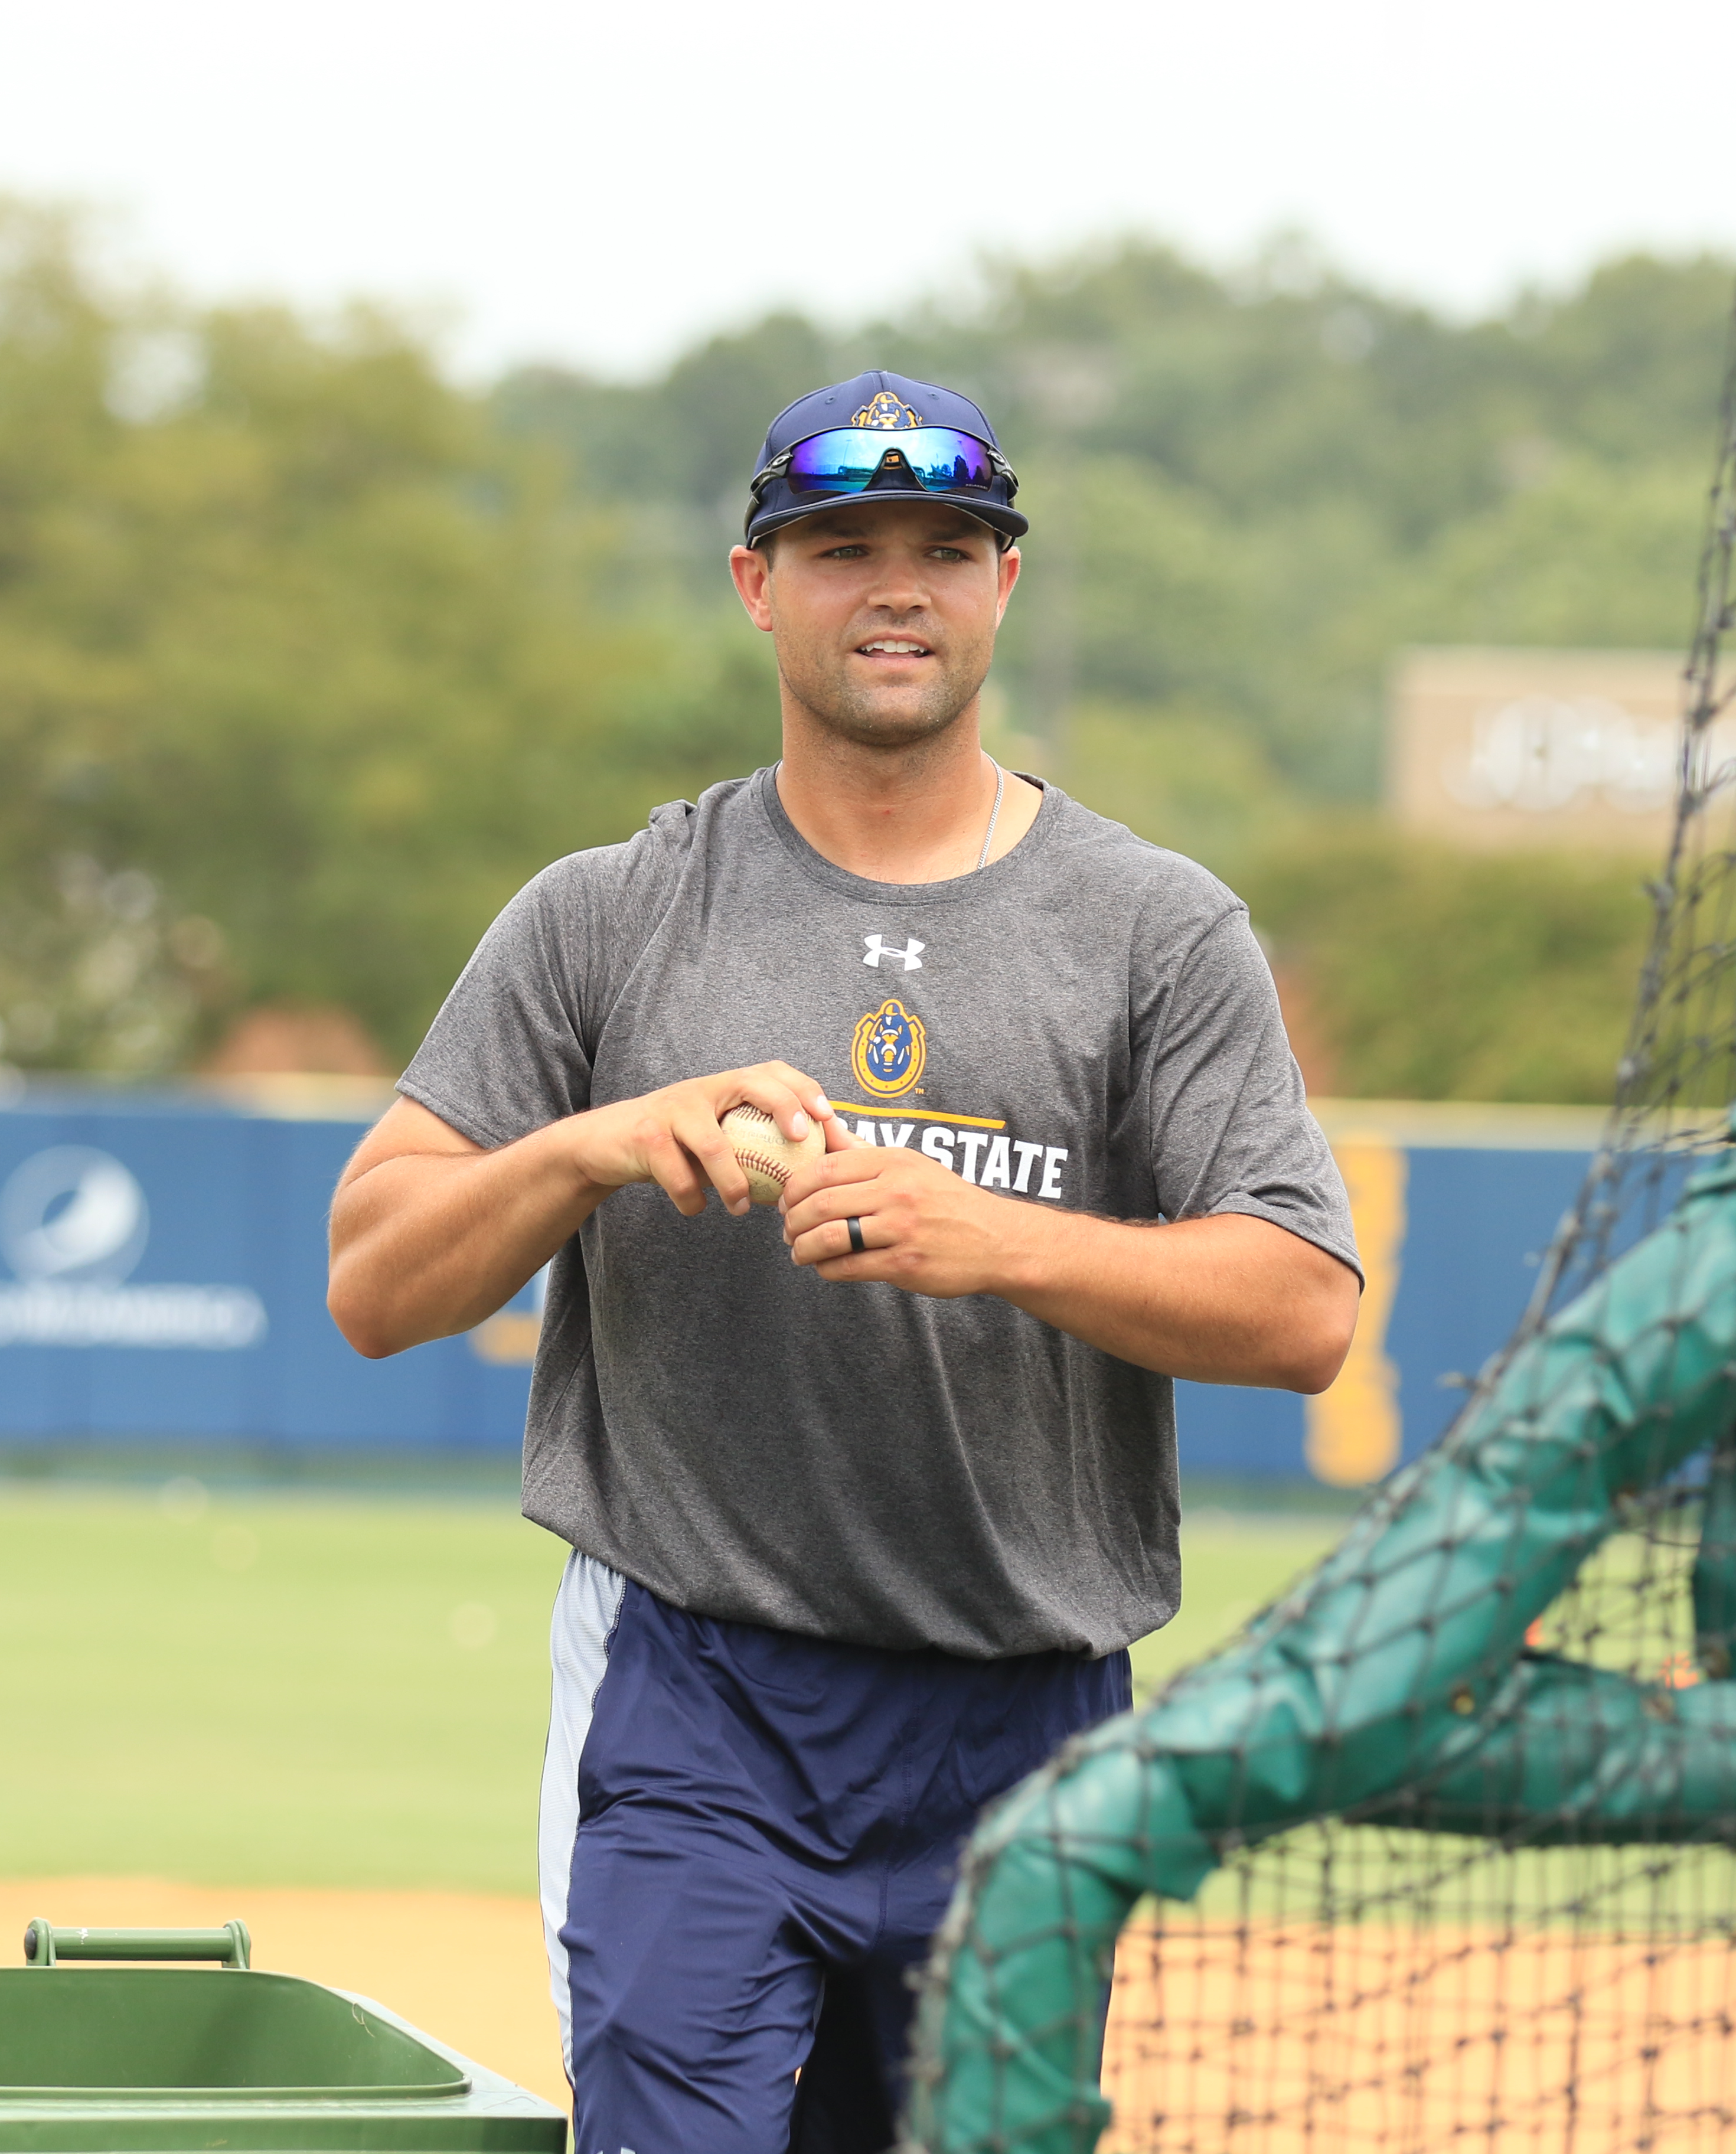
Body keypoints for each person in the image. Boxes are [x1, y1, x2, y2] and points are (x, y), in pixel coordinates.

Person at [325, 370, 1361, 2154]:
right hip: (698, 1701)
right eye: (843, 549)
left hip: (1026, 1719)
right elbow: (372, 1282)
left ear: (1005, 587)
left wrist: (998, 1243)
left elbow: (1304, 1309)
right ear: (756, 585)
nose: (898, 587)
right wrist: (590, 1144)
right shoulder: (610, 912)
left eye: (946, 549)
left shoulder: (1154, 927)